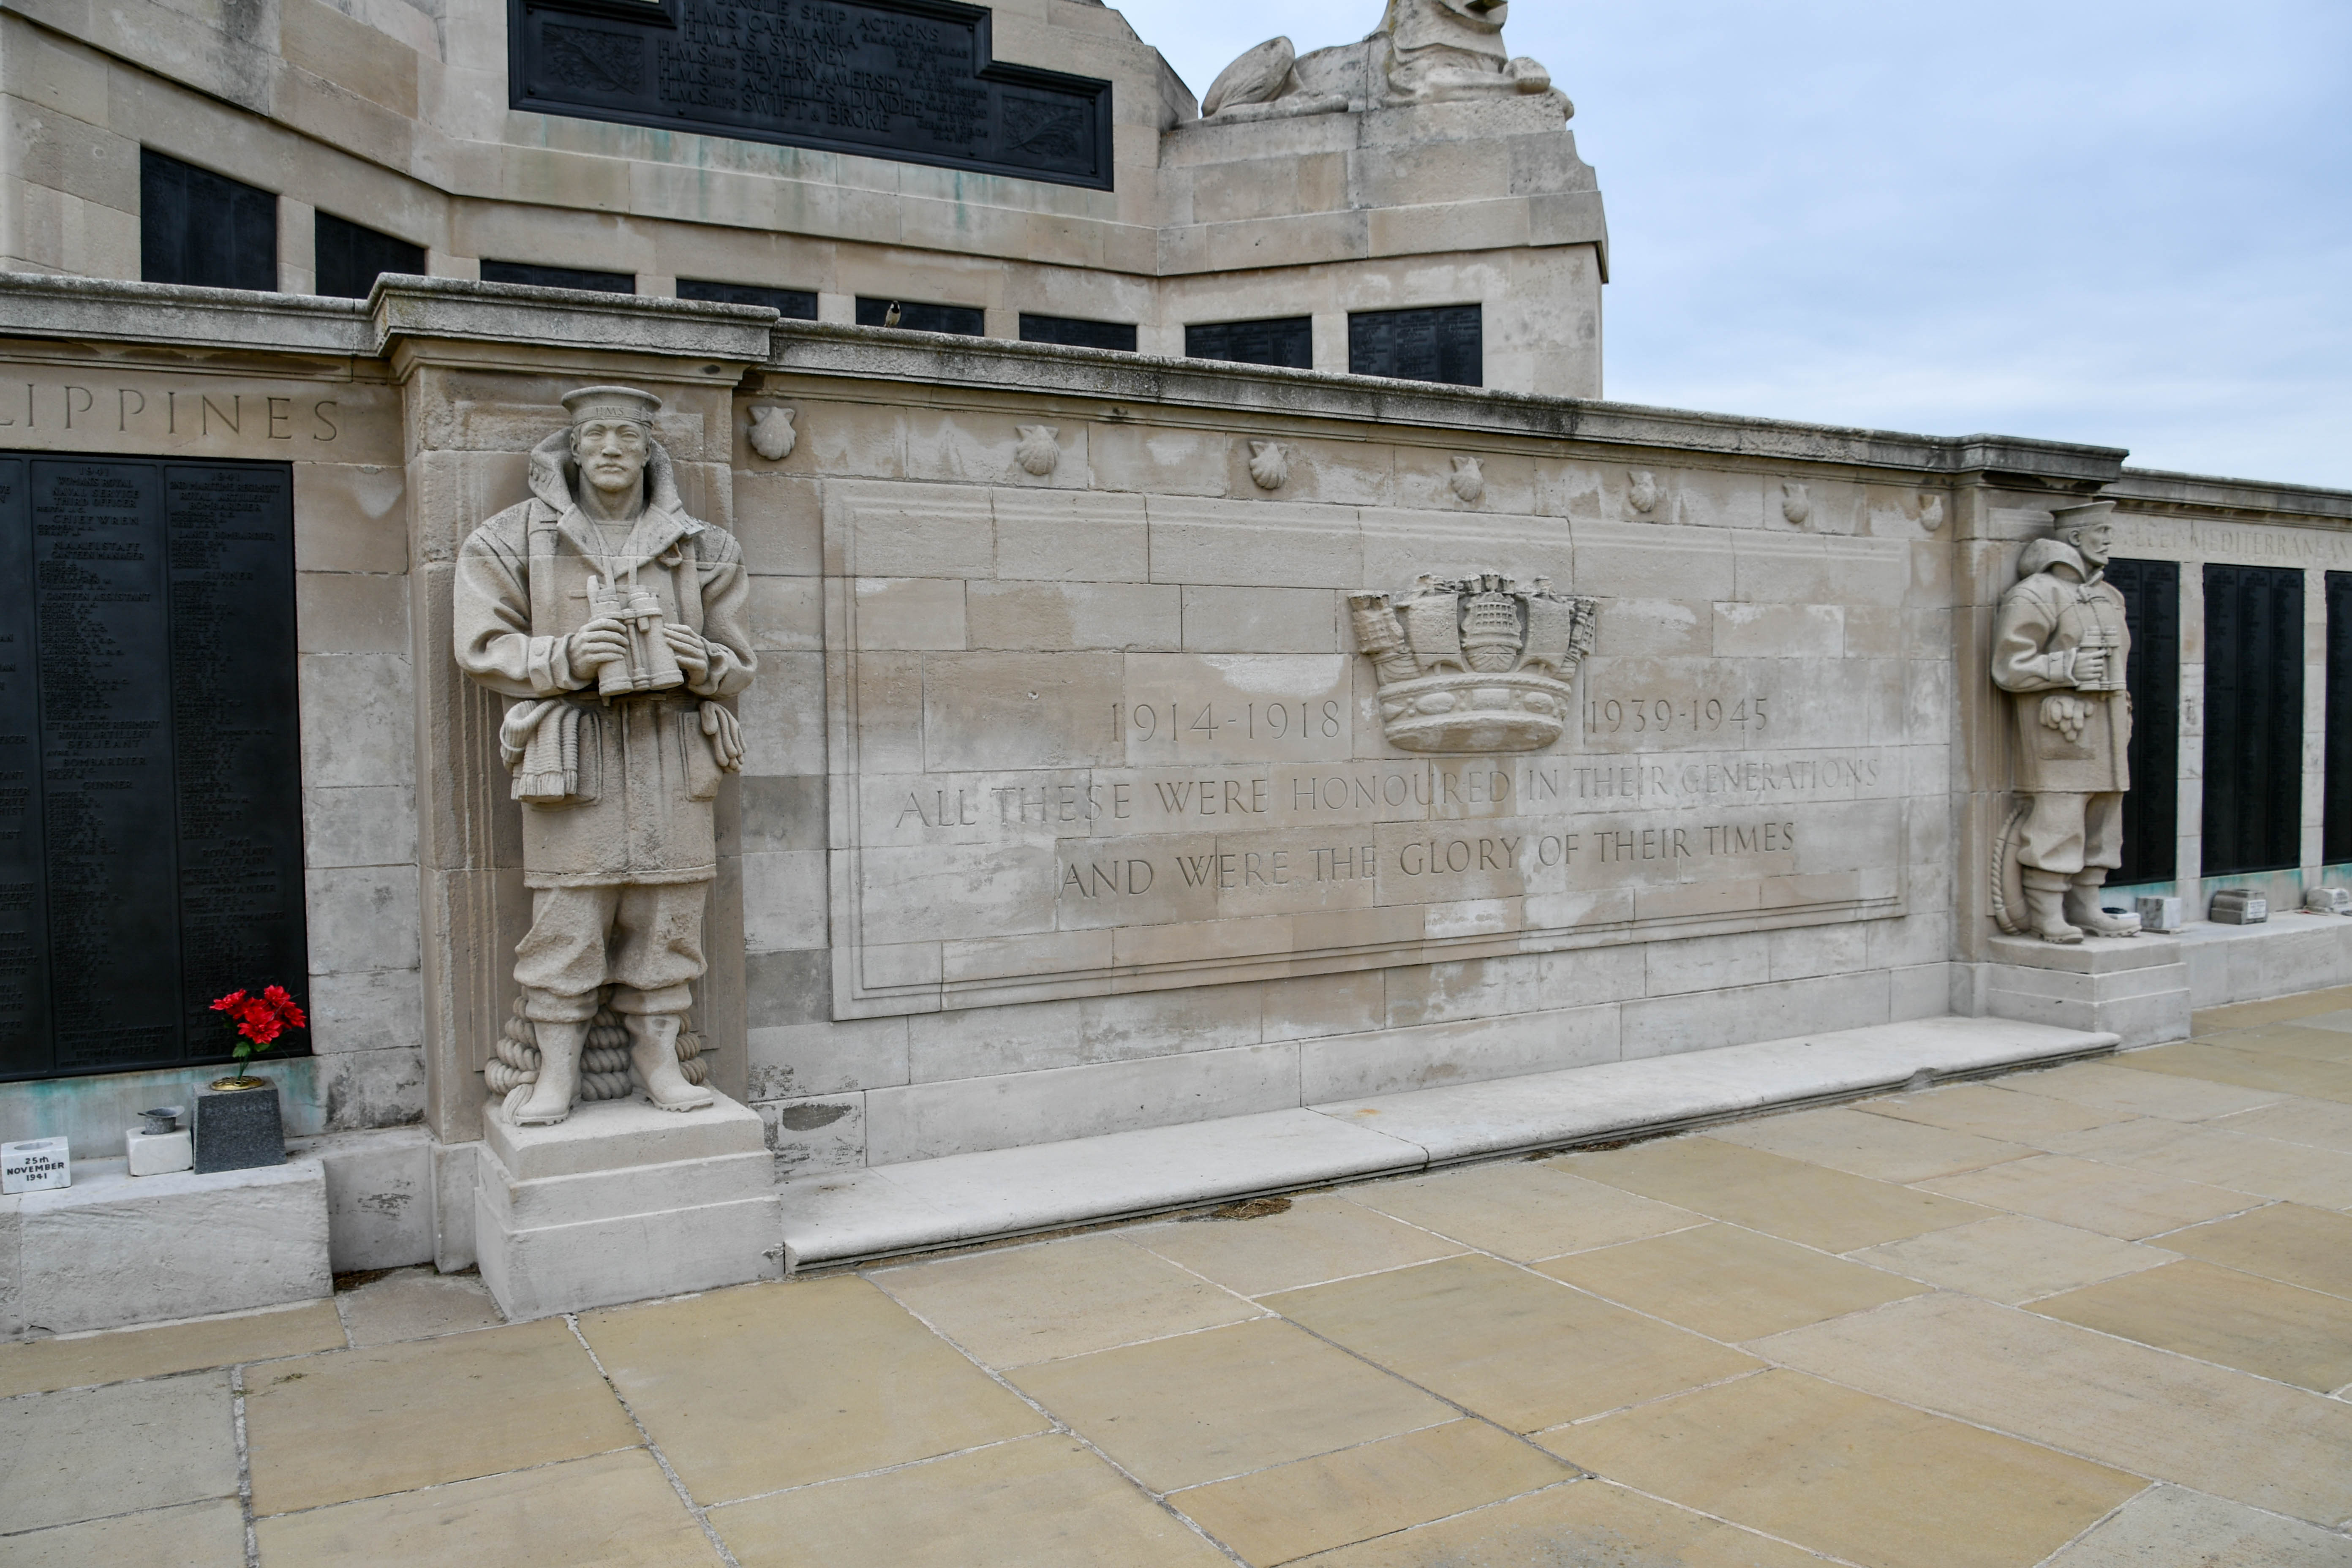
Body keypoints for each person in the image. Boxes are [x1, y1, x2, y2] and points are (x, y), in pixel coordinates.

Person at [454, 386, 756, 1122]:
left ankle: (659, 1057)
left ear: (650, 448)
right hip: (572, 755)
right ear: (574, 446)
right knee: (568, 914)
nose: (612, 447)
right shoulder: (510, 535)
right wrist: (565, 654)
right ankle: (554, 1070)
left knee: (668, 913)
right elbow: (481, 646)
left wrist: (700, 660)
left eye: (627, 434)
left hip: (672, 749)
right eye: (597, 435)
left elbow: (739, 659)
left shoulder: (704, 545)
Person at [1990, 499, 2140, 943]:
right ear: (2074, 538)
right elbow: (2008, 665)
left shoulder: (2110, 596)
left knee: (2103, 821)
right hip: (2059, 732)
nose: (2109, 539)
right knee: (2058, 822)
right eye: (2101, 530)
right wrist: (2065, 668)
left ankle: (2088, 906)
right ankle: (2048, 914)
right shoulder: (2037, 592)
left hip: (2109, 731)